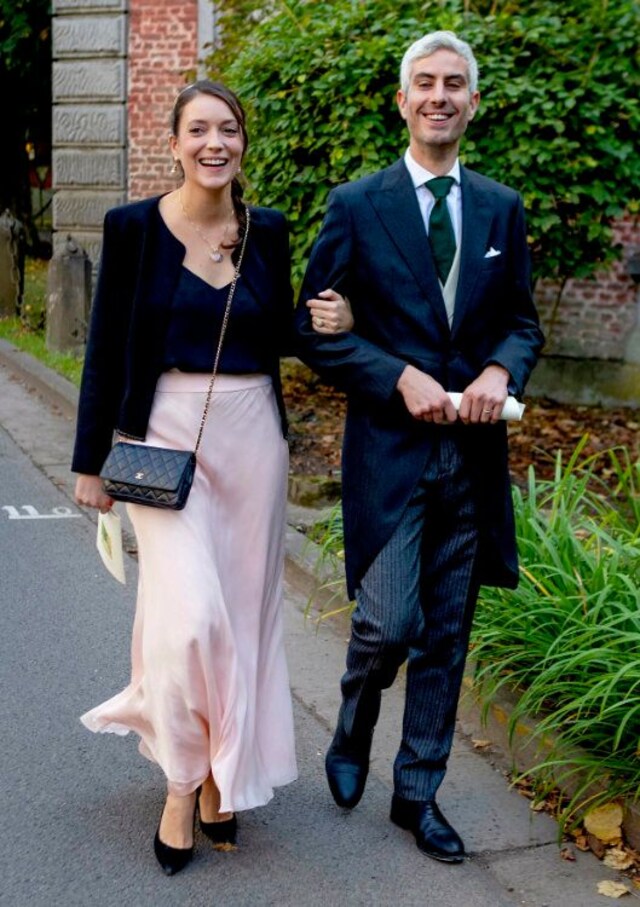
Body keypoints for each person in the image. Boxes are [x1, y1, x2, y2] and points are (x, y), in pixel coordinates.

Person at [73, 80, 351, 876]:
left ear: (242, 142)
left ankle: (226, 778)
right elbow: (104, 348)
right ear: (175, 142)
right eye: (199, 130)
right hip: (161, 439)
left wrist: (336, 322)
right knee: (189, 620)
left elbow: (277, 335)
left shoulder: (267, 232)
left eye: (228, 129)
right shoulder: (133, 229)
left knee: (243, 616)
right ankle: (180, 783)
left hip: (252, 438)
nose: (214, 143)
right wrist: (91, 460)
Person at [295, 31, 544, 863]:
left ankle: (417, 792)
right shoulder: (356, 205)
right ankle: (356, 712)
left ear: (473, 102)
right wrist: (393, 373)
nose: (439, 96)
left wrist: (500, 368)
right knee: (391, 620)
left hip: (472, 458)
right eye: (425, 84)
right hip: (391, 455)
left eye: (455, 84)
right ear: (403, 102)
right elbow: (312, 328)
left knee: (447, 634)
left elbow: (521, 321)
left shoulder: (503, 208)